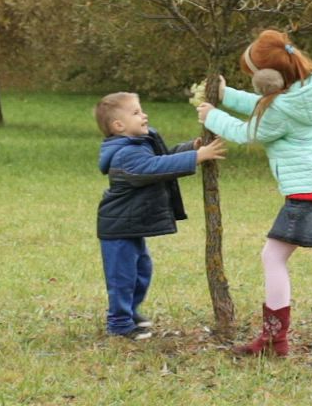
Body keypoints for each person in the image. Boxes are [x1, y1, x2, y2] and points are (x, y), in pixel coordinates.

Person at [196, 30, 312, 356]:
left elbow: (247, 132)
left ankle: (274, 340)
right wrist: (228, 96)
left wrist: (212, 116)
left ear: (270, 77)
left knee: (272, 257)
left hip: (309, 193)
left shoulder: (282, 110)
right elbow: (265, 104)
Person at [95, 91, 226, 340]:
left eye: (141, 110)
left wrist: (190, 148)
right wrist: (197, 157)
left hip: (131, 226)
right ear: (119, 126)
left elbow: (163, 158)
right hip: (118, 229)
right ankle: (119, 324)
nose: (144, 115)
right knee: (122, 278)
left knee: (141, 271)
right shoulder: (125, 154)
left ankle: (130, 313)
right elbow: (155, 167)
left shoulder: (139, 144)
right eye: (136, 113)